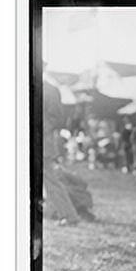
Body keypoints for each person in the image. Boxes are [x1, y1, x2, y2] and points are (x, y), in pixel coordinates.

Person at [41, 72, 95, 225]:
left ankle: (70, 215)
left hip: (42, 143)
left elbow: (56, 118)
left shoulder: (50, 90)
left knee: (51, 181)